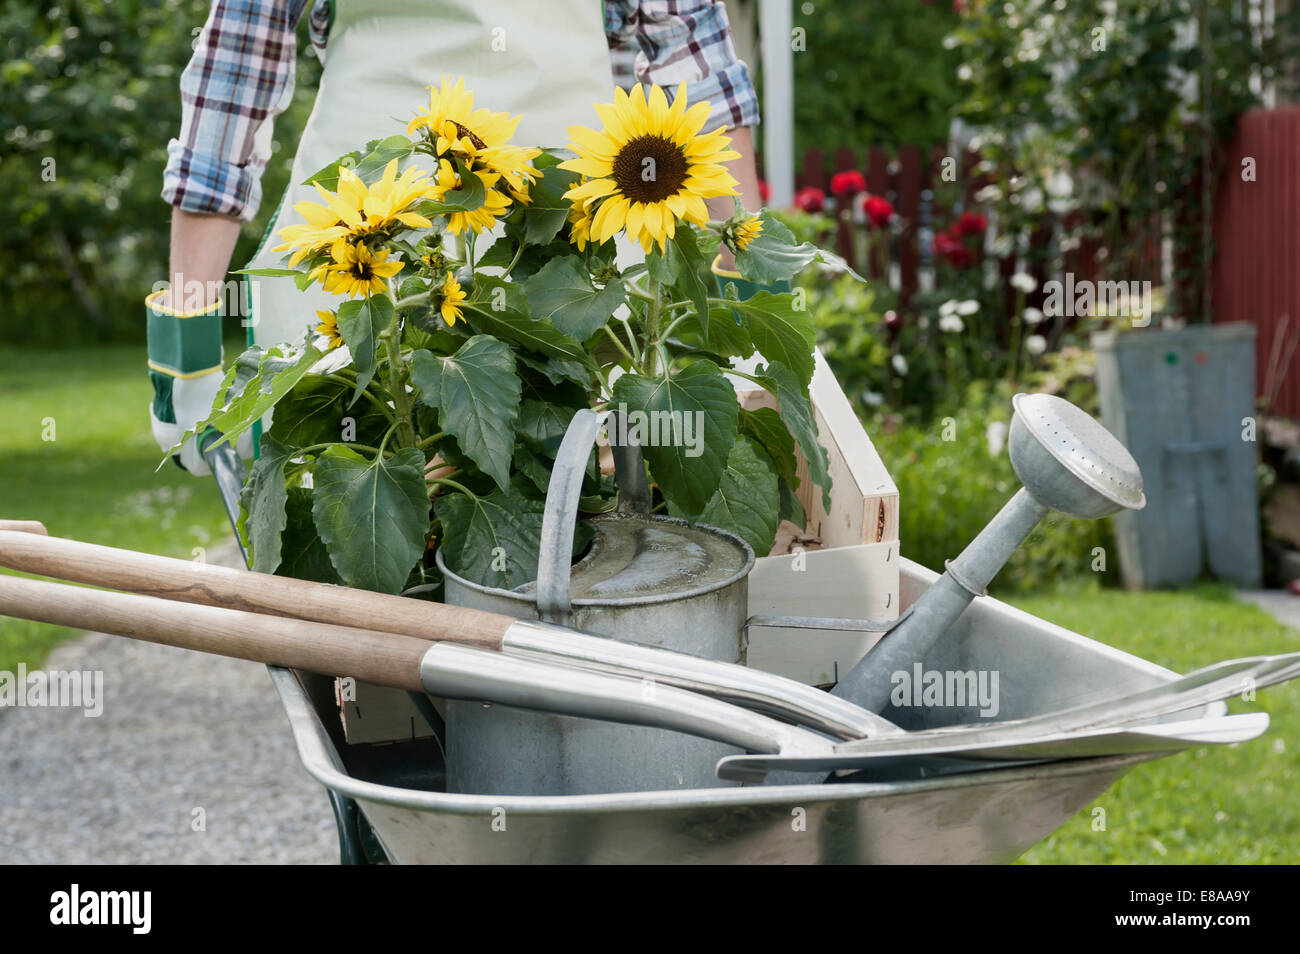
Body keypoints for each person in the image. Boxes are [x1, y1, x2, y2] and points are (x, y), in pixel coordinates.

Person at [147, 0, 764, 473]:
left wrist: (748, 326)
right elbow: (234, 82)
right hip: (364, 265)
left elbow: (700, 88)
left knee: (598, 548)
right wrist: (188, 356)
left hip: (577, 266)